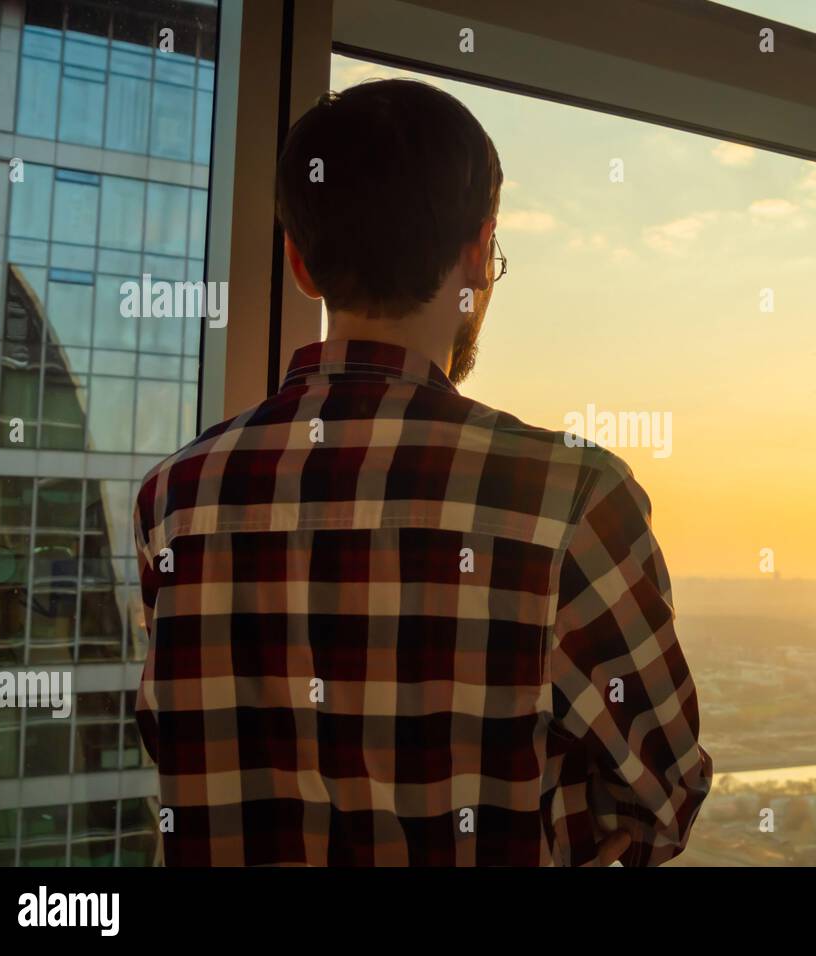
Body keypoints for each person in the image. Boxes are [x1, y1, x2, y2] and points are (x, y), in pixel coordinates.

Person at [133, 78, 712, 866]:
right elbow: (663, 798)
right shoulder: (572, 498)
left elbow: (176, 755)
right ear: (479, 251)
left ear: (300, 264)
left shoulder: (176, 500)